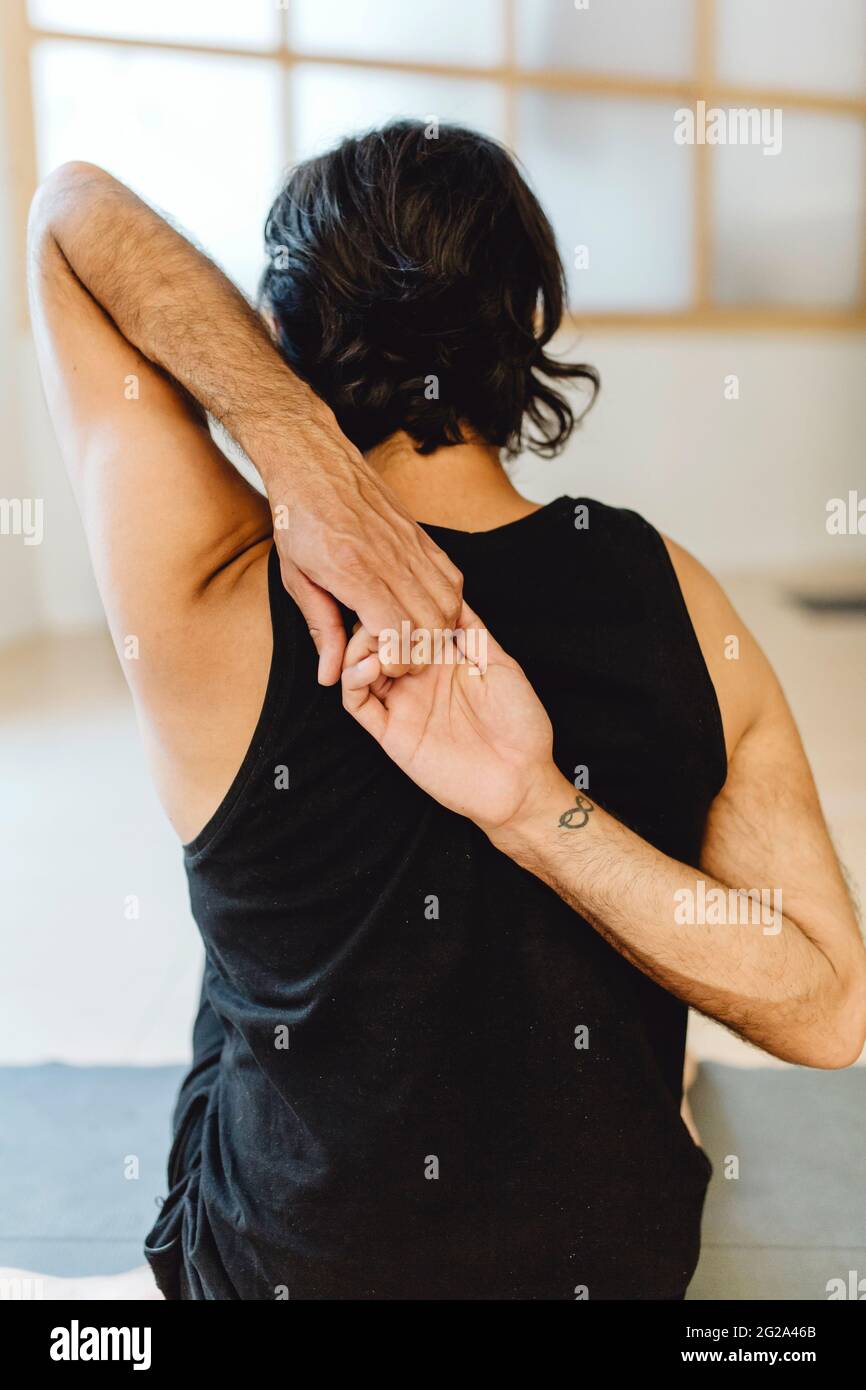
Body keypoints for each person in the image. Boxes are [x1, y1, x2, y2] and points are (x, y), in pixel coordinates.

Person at [12, 121, 865, 1301]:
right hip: (611, 1275)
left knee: (238, 945)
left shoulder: (209, 586)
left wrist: (283, 438)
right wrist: (550, 818)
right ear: (525, 329)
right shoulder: (679, 593)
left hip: (286, 1279)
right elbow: (829, 1014)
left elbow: (67, 212)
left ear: (284, 333)